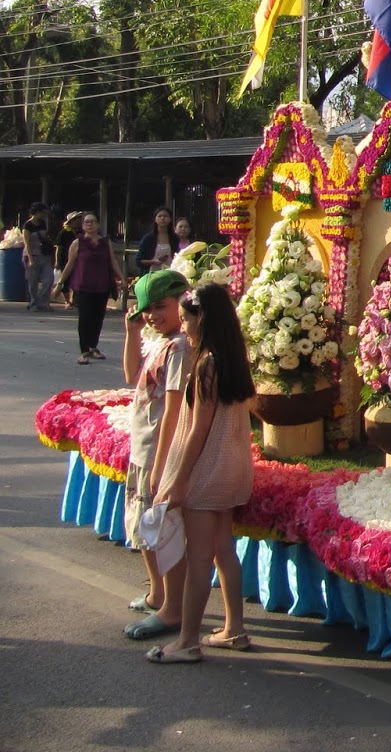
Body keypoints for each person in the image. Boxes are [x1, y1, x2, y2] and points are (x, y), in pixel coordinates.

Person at [147, 282, 256, 664]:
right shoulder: (233, 359)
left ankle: (187, 641)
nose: (183, 324)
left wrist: (178, 478)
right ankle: (234, 629)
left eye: (186, 317)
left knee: (199, 558)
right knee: (224, 550)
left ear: (202, 318)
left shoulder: (207, 363)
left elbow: (198, 429)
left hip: (208, 470)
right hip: (232, 467)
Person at [119, 269, 193, 642]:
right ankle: (157, 594)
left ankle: (172, 609)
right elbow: (132, 375)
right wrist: (132, 333)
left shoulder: (181, 347)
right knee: (143, 526)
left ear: (182, 302)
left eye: (160, 307)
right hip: (142, 448)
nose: (151, 315)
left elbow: (174, 408)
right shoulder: (161, 342)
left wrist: (162, 463)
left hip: (158, 455)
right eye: (146, 308)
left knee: (162, 531)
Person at [54, 213, 125, 364]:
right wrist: (60, 284)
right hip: (83, 286)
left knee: (98, 318)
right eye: (86, 222)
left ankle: (93, 346)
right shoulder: (77, 243)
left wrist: (121, 278)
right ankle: (84, 350)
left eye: (92, 222)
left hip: (102, 285)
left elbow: (113, 261)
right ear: (82, 225)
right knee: (85, 318)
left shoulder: (105, 242)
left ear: (98, 224)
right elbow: (70, 264)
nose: (89, 224)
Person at [22, 203, 53, 311]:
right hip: (32, 255)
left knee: (49, 279)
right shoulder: (27, 225)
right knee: (33, 281)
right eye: (42, 212)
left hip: (44, 255)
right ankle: (33, 303)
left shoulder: (42, 223)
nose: (44, 215)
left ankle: (43, 303)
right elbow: (27, 243)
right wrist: (30, 259)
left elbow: (45, 238)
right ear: (37, 212)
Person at [54, 211, 82, 305]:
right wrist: (57, 261)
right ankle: (67, 301)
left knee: (76, 278)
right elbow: (59, 247)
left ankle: (75, 300)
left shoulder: (79, 232)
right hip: (64, 259)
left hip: (77, 259)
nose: (78, 222)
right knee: (66, 280)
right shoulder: (64, 232)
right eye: (76, 220)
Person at [137, 207, 177, 272]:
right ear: (155, 219)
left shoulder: (174, 238)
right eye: (159, 216)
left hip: (170, 273)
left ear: (170, 219)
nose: (162, 218)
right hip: (151, 273)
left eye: (165, 216)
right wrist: (153, 261)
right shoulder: (148, 238)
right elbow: (138, 261)